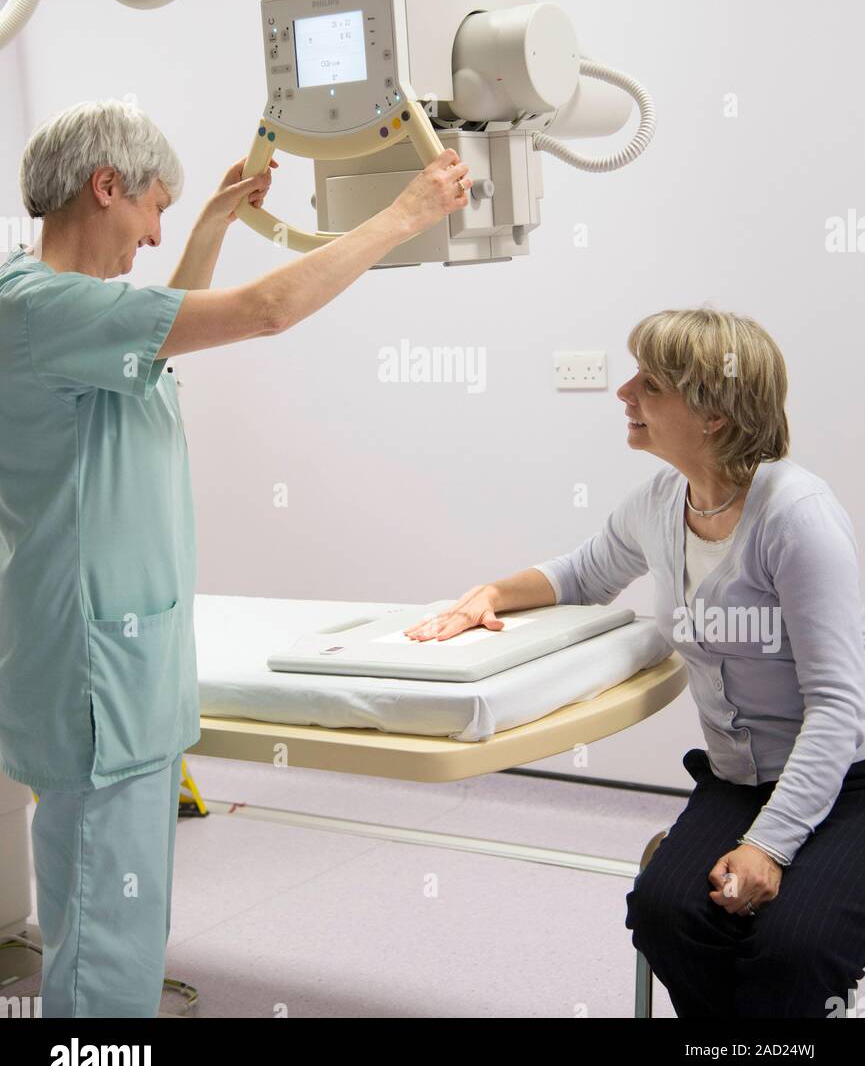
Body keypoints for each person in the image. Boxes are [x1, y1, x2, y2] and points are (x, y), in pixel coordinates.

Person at [0, 97, 472, 1018]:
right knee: (103, 956)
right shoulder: (43, 309)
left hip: (122, 675)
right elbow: (261, 312)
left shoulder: (66, 313)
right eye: (155, 210)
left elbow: (163, 322)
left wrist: (212, 224)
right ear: (107, 187)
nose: (153, 235)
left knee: (111, 930)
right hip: (100, 687)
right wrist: (405, 213)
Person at [404, 308, 865, 1018]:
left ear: (712, 414)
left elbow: (837, 708)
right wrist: (490, 593)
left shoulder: (795, 517)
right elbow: (581, 573)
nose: (624, 393)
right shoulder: (661, 502)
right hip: (739, 779)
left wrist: (767, 847)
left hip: (844, 784)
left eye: (649, 384)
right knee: (665, 912)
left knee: (792, 947)